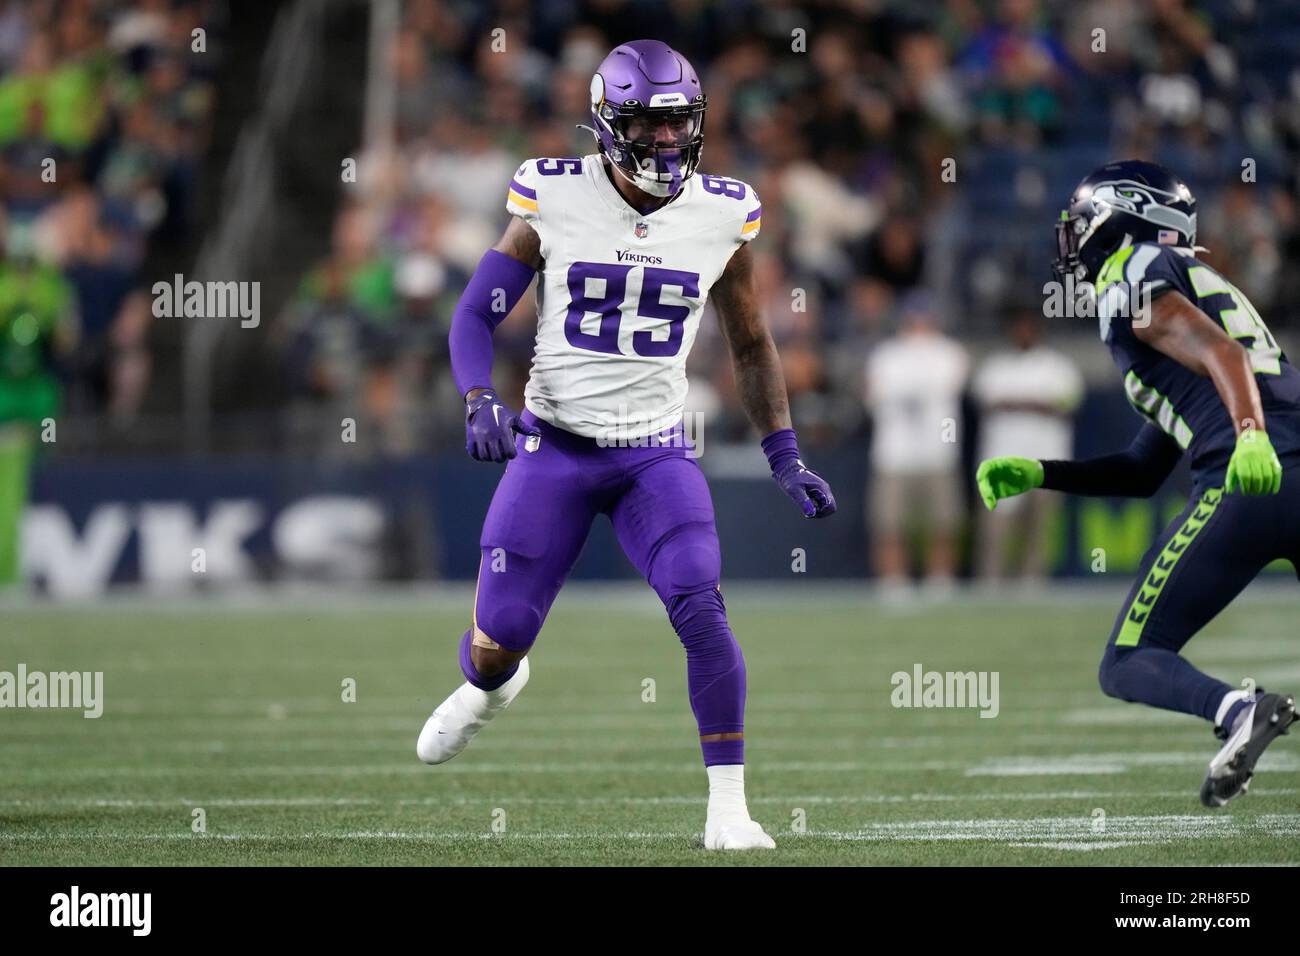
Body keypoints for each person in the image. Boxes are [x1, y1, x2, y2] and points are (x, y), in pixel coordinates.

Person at [416, 40, 836, 850]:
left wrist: (784, 451)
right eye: (651, 124)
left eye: (681, 124)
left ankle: (729, 811)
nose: (669, 141)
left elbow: (751, 345)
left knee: (700, 603)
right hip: (555, 447)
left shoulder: (722, 211)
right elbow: (474, 315)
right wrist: (476, 397)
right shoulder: (554, 195)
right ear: (609, 125)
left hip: (655, 452)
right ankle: (486, 690)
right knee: (497, 638)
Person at [977, 160, 1298, 806]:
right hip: (1282, 460)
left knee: (1128, 659)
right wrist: (1042, 473)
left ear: (1122, 214)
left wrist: (1250, 434)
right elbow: (1142, 468)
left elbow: (1224, 355)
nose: (1073, 232)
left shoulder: (1135, 269)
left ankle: (1237, 710)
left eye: (1082, 215)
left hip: (1251, 476)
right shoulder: (1193, 279)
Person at [864, 291, 968, 591]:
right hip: (893, 453)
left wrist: (901, 388)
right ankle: (893, 581)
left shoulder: (949, 351)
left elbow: (948, 384)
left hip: (938, 452)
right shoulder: (886, 354)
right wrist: (909, 388)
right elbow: (874, 394)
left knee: (943, 520)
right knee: (889, 522)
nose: (919, 325)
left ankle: (941, 579)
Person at [972, 308, 1082, 580]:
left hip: (1047, 464)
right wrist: (1036, 403)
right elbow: (988, 403)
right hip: (1002, 464)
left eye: (1029, 327)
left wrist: (1017, 403)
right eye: (1019, 327)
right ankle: (990, 588)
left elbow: (1065, 406)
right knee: (995, 535)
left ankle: (1033, 588)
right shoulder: (996, 367)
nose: (1024, 333)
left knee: (1040, 534)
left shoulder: (1058, 367)